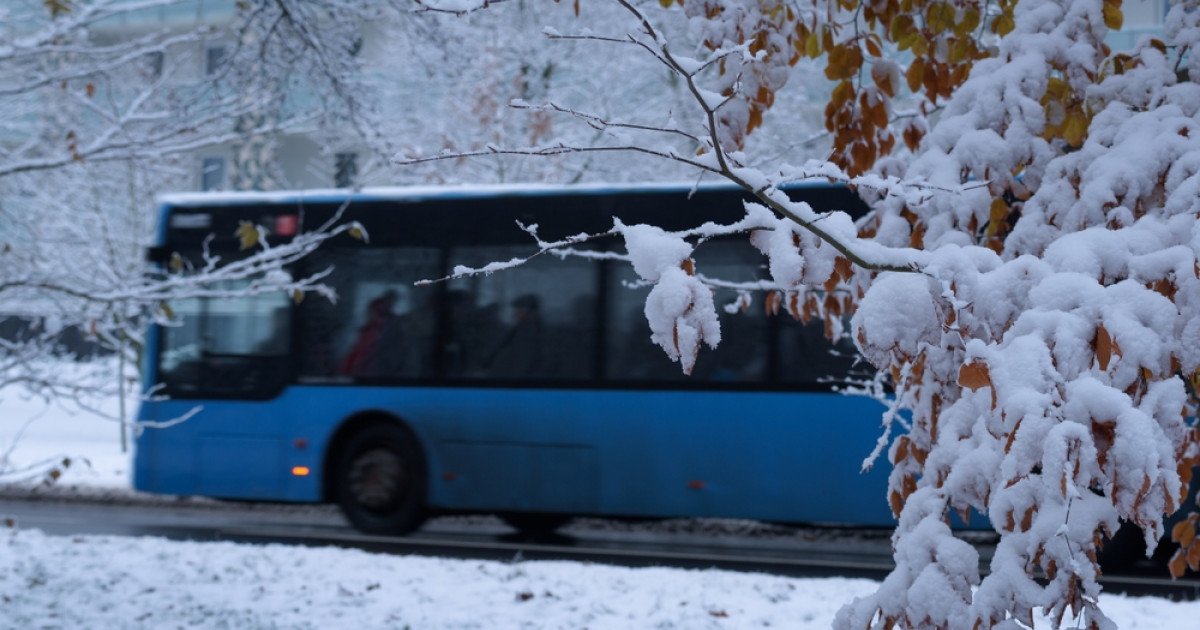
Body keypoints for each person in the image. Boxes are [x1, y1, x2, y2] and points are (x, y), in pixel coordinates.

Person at [341, 290, 399, 377]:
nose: (379, 319)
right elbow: (353, 358)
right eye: (378, 313)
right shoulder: (366, 334)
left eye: (383, 315)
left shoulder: (398, 336)